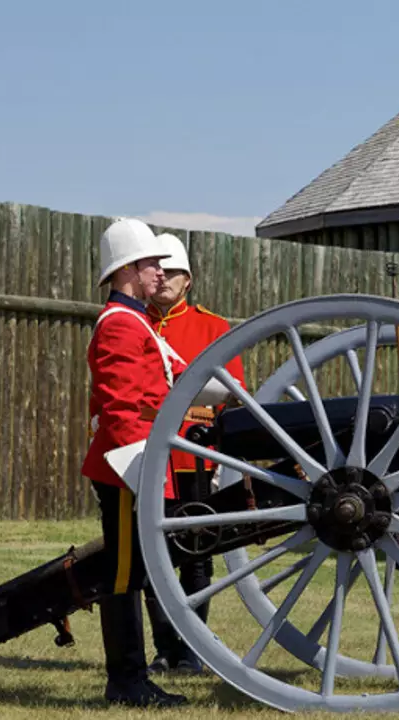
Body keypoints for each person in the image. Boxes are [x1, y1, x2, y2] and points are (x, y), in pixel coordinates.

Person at [82, 218, 189, 708]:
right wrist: (140, 474)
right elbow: (120, 406)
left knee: (135, 572)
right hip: (128, 465)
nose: (158, 272)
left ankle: (133, 676)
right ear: (128, 268)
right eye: (150, 262)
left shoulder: (136, 320)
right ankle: (125, 680)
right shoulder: (120, 324)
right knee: (122, 576)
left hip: (142, 459)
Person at [142, 233, 246, 675]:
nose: (164, 279)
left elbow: (232, 392)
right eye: (158, 272)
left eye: (174, 273)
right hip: (148, 457)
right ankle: (164, 649)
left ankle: (192, 648)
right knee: (153, 556)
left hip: (194, 456)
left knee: (196, 555)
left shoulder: (212, 327)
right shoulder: (138, 323)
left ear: (190, 281)